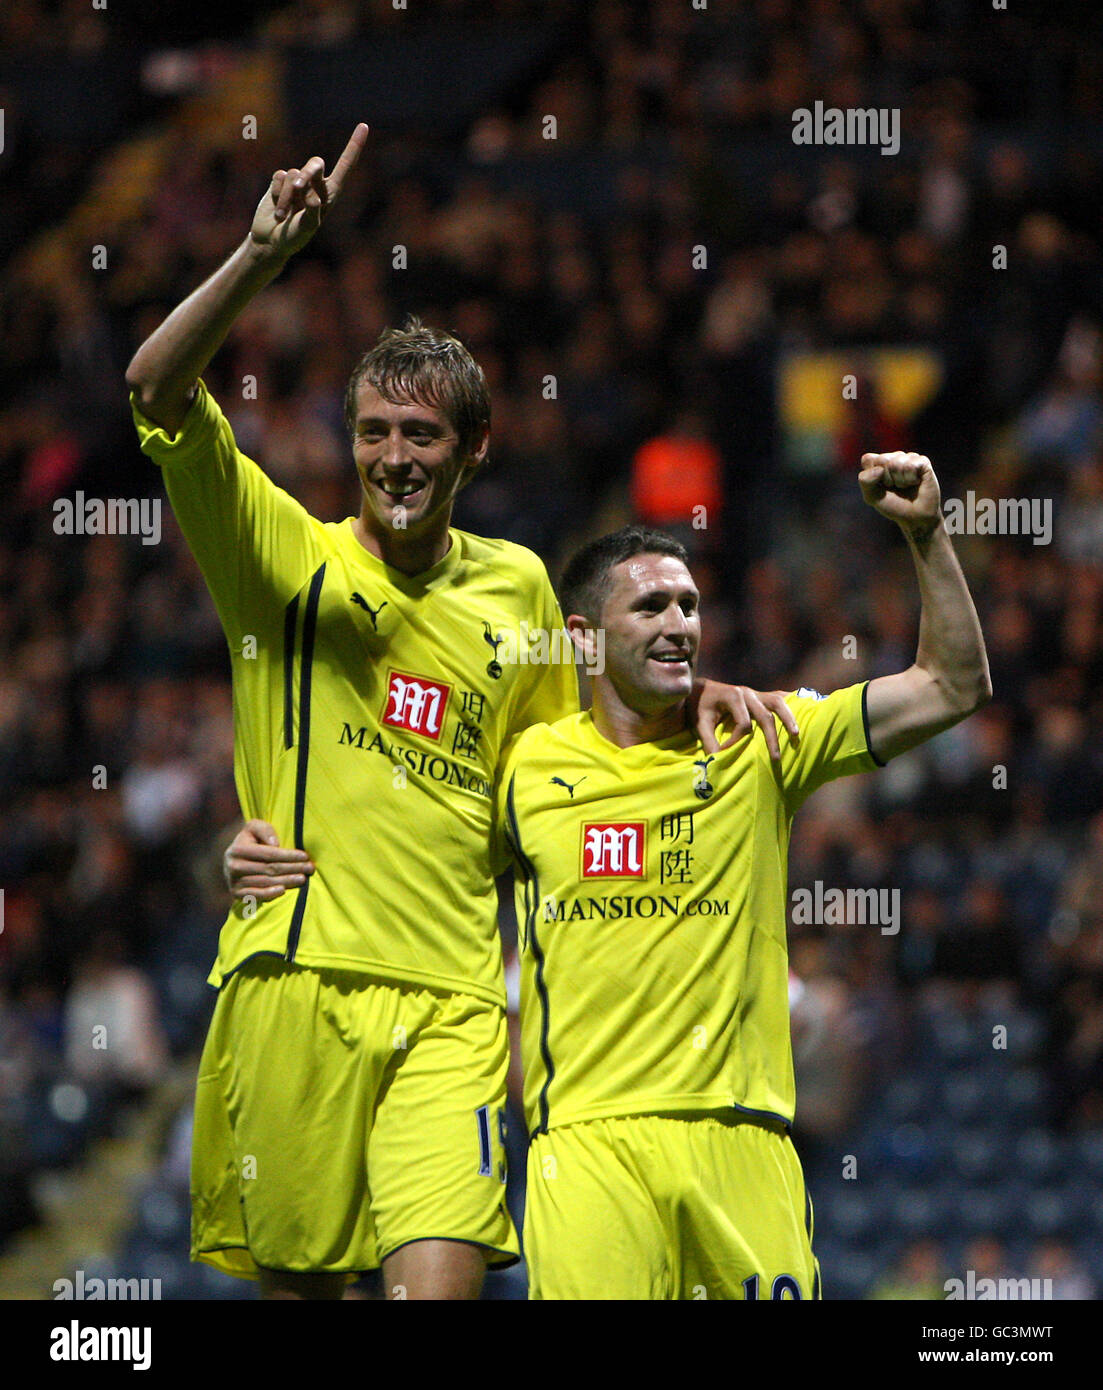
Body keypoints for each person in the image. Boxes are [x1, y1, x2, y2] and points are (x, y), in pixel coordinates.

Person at [126, 126, 787, 1300]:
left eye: (420, 434)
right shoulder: (277, 555)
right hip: (296, 983)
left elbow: (560, 763)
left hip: (455, 1007)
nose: (393, 457)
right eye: (374, 431)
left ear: (470, 447)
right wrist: (258, 258)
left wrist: (689, 695)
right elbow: (153, 390)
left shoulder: (520, 588)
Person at [493, 452, 989, 1299]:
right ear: (580, 636)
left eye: (688, 605)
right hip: (586, 1145)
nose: (679, 622)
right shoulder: (523, 768)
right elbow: (409, 851)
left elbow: (951, 685)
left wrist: (925, 533)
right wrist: (248, 856)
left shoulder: (759, 738)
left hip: (744, 1141)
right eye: (649, 605)